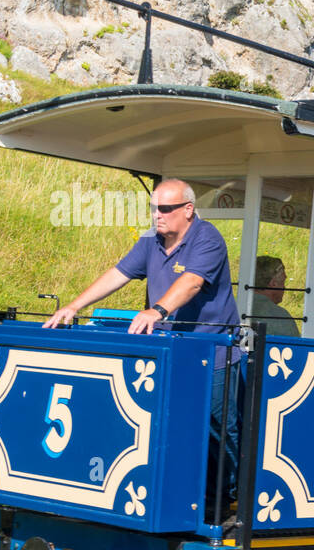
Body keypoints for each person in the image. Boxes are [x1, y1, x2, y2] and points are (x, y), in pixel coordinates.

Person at [42, 178, 241, 499]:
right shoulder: (151, 240)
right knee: (170, 425)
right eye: (153, 209)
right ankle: (177, 496)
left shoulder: (209, 239)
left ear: (188, 210)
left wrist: (157, 310)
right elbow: (119, 273)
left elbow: (191, 282)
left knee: (218, 430)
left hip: (213, 355)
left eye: (165, 209)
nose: (157, 216)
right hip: (169, 354)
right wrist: (74, 305)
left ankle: (226, 501)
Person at [248, 255, 300, 338]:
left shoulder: (233, 308)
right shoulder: (281, 317)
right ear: (274, 283)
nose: (284, 288)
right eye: (283, 281)